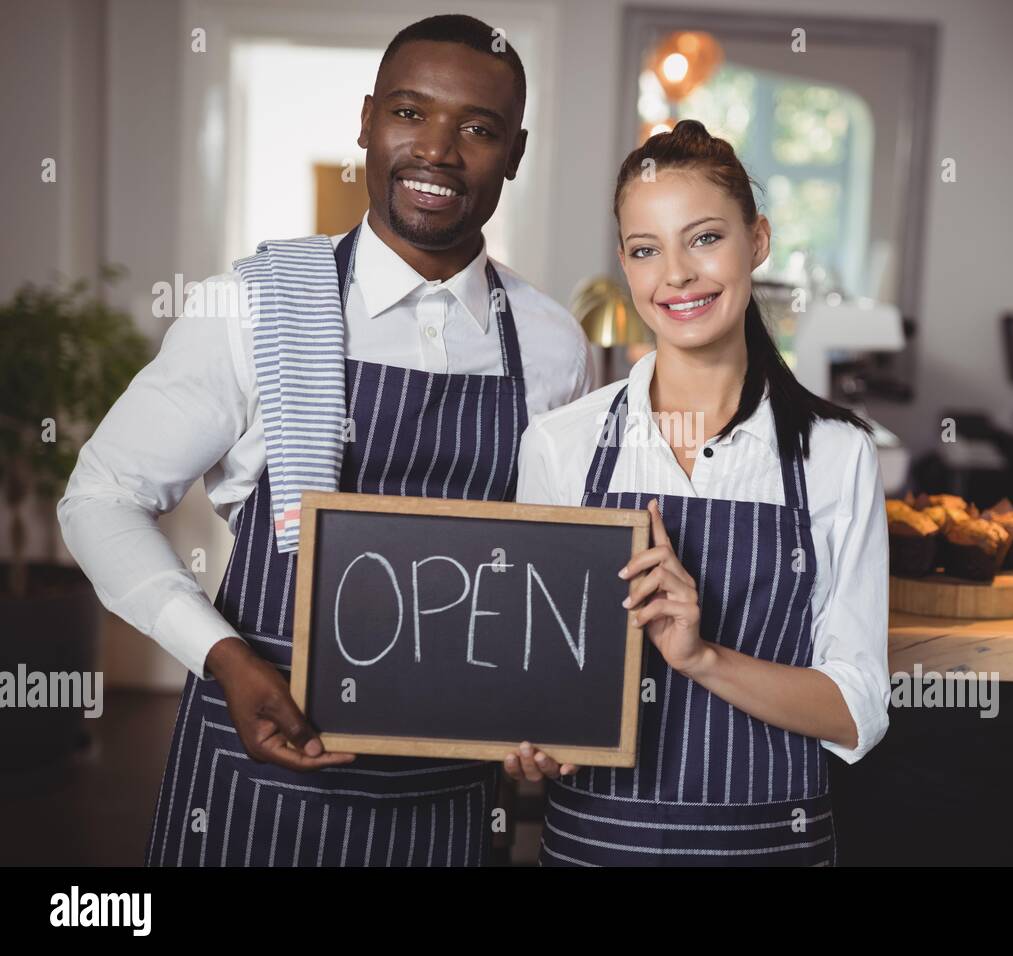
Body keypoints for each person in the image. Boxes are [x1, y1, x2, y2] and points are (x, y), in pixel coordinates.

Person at [57, 14, 593, 867]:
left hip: (450, 798)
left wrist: (548, 715)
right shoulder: (257, 304)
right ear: (367, 121)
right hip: (254, 779)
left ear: (515, 153)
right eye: (410, 114)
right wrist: (224, 658)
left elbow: (550, 573)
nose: (439, 152)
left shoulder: (554, 342)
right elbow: (99, 500)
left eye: (479, 129)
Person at [504, 119, 891, 866]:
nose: (675, 274)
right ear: (625, 264)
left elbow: (856, 708)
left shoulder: (838, 455)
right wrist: (527, 742)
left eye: (705, 238)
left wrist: (701, 656)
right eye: (647, 249)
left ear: (759, 240)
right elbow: (537, 681)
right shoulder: (560, 446)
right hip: (594, 844)